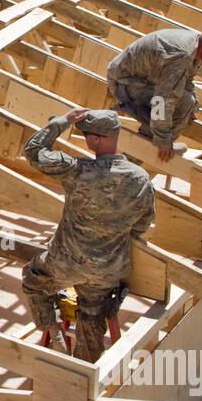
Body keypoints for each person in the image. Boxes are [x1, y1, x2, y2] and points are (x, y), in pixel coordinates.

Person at [21, 107, 156, 363]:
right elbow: (143, 223)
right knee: (92, 316)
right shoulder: (140, 178)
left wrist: (63, 121)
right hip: (107, 270)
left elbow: (34, 151)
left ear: (95, 140)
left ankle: (54, 333)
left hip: (66, 263)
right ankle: (87, 370)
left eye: (86, 136)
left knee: (33, 277)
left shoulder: (77, 171)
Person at [105, 25, 202, 162]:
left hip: (142, 80)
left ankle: (149, 145)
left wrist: (189, 109)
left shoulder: (195, 45)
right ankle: (137, 158)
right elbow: (161, 99)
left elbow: (187, 81)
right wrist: (163, 138)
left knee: (187, 103)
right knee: (170, 112)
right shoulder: (182, 55)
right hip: (124, 82)